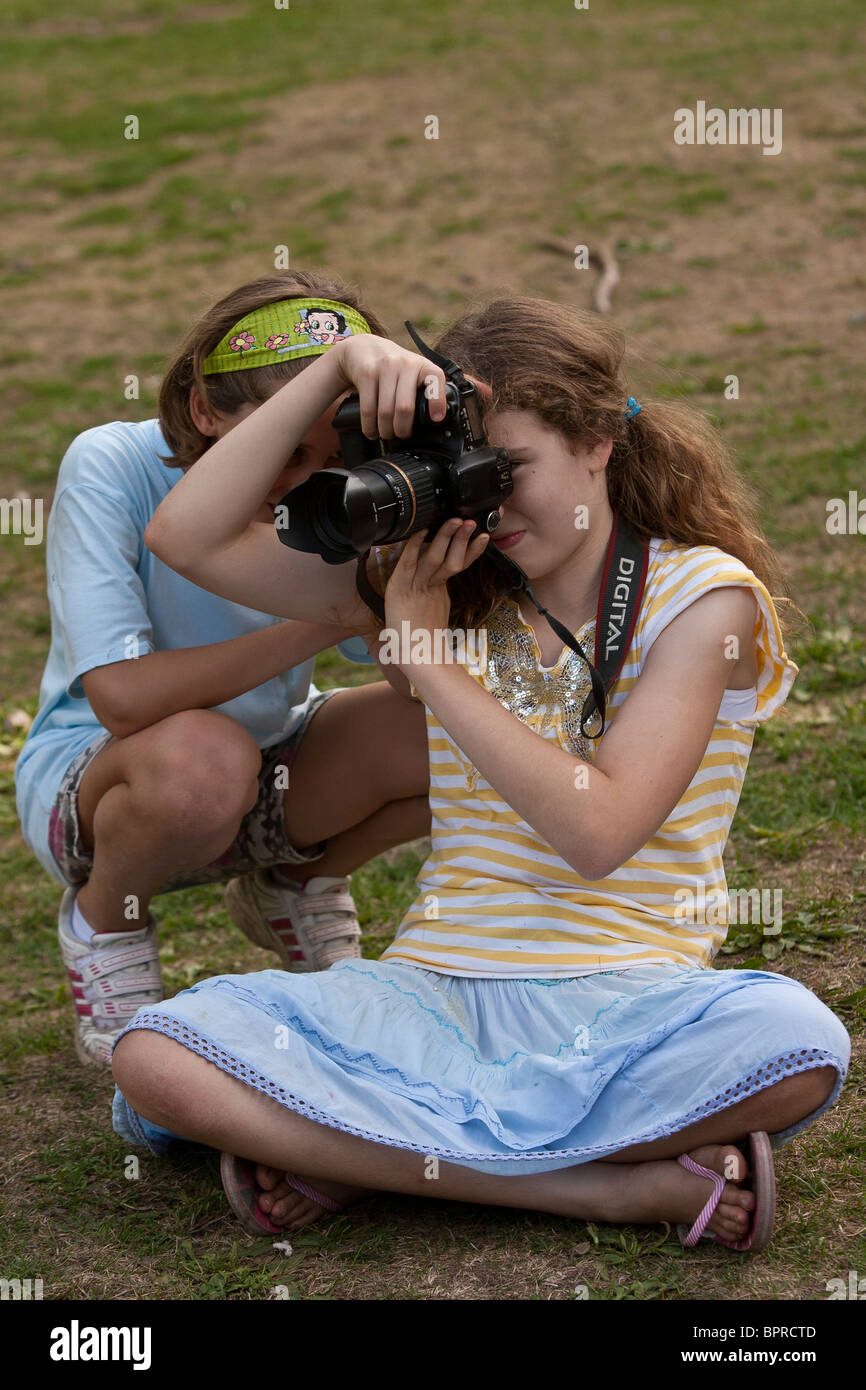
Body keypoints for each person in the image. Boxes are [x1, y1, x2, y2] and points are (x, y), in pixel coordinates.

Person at [109, 297, 850, 1251]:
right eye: (469, 479)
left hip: (624, 1004)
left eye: (510, 469)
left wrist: (430, 662)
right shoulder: (444, 577)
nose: (489, 510)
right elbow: (189, 536)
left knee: (798, 1042)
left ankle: (356, 1153)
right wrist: (338, 370)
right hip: (428, 998)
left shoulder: (701, 601)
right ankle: (602, 1189)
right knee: (154, 1059)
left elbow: (599, 831)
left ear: (595, 440)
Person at [13, 270, 432, 1068]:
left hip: (266, 773)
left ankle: (294, 884)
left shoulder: (350, 492)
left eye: (337, 453)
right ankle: (107, 920)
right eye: (287, 448)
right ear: (205, 411)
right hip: (110, 787)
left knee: (461, 728)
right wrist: (320, 620)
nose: (311, 482)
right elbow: (122, 699)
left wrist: (400, 562)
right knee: (205, 758)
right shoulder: (114, 462)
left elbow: (420, 689)